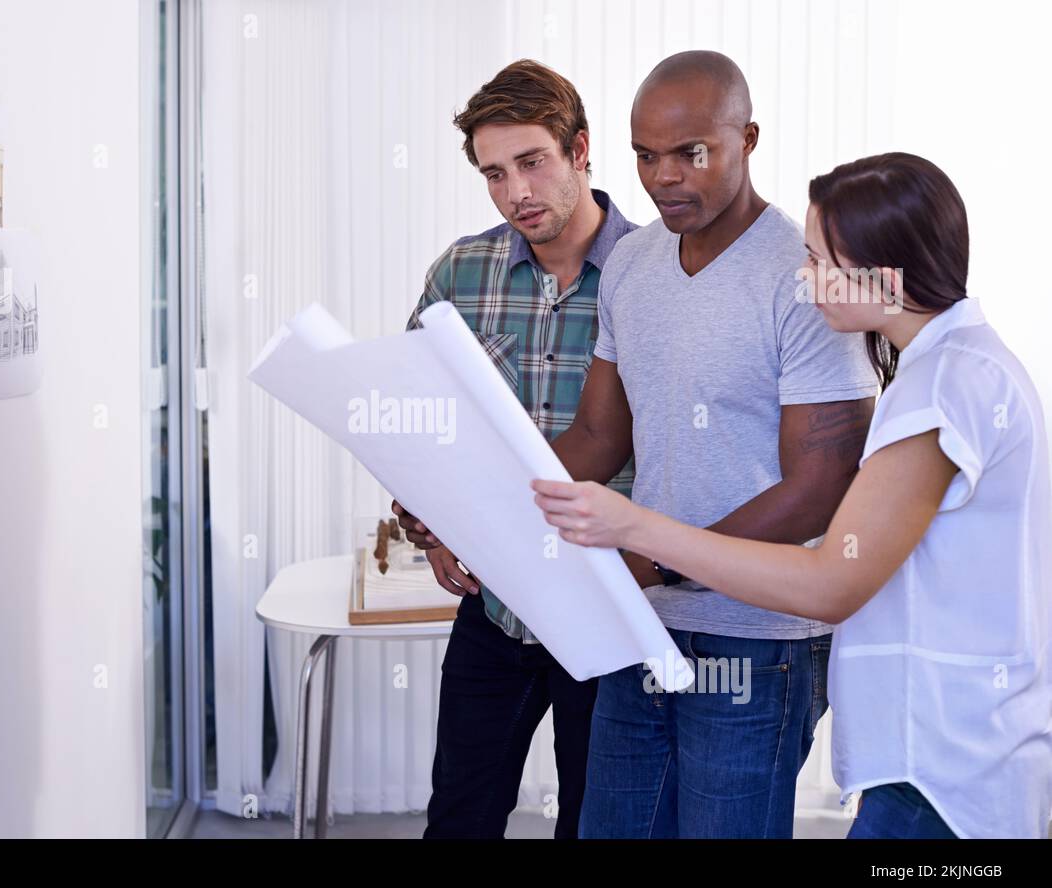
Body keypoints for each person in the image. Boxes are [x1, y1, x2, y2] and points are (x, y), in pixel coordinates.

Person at [534, 152, 1052, 839]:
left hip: (943, 775)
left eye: (818, 261)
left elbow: (830, 581)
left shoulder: (944, 389)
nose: (803, 279)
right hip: (935, 762)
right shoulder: (954, 368)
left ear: (882, 272)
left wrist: (637, 528)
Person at [544, 50, 879, 838]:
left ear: (747, 139)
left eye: (691, 152)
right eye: (645, 155)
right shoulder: (631, 261)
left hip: (759, 637)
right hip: (644, 620)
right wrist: (482, 495)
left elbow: (822, 486)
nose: (663, 176)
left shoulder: (806, 272)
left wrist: (661, 557)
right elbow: (598, 433)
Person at [391, 59, 639, 838]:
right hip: (494, 611)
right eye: (494, 174)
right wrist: (427, 523)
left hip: (613, 613)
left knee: (595, 825)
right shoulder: (461, 273)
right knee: (459, 819)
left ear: (580, 149)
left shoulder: (654, 272)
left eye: (531, 162)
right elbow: (411, 421)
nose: (515, 193)